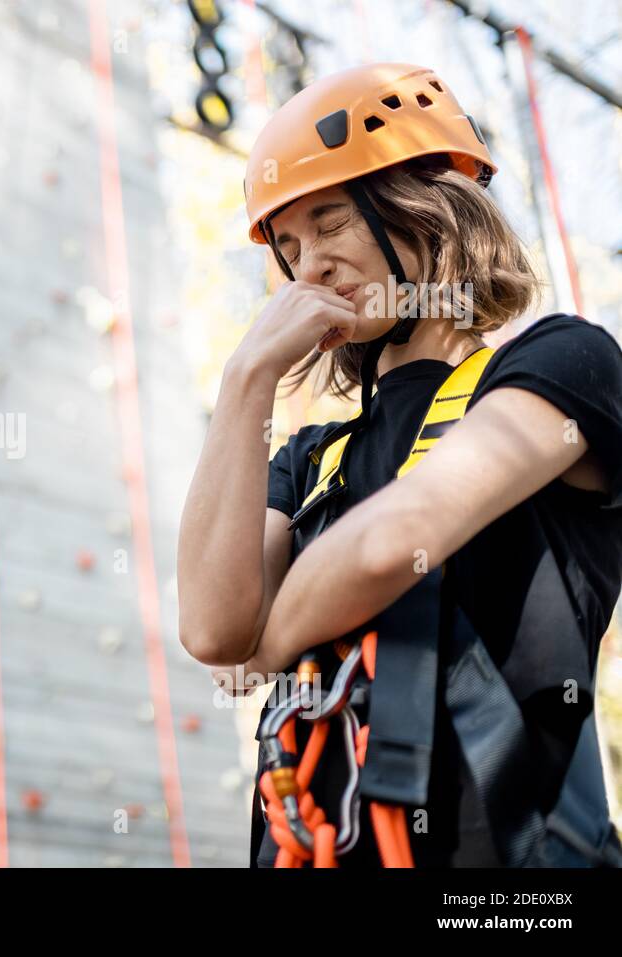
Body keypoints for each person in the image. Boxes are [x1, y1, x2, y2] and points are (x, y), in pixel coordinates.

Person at [177, 62, 622, 867]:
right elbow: (212, 625)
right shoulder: (311, 460)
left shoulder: (563, 366)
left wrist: (267, 643)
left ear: (427, 209)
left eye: (332, 221)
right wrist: (248, 378)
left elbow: (399, 536)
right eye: (287, 247)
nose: (307, 264)